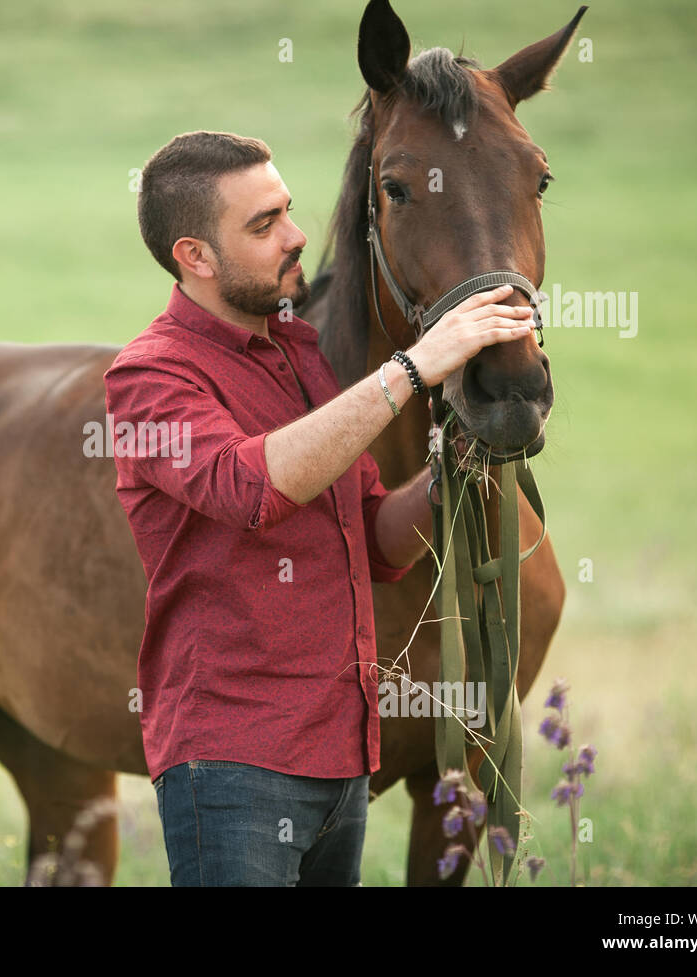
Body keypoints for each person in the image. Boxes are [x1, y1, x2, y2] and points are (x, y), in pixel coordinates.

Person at [102, 130, 534, 886]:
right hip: (231, 770)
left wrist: (454, 464)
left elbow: (374, 541)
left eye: (289, 211)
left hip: (340, 765)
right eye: (263, 225)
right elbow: (250, 487)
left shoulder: (299, 354)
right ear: (195, 257)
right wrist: (411, 368)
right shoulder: (148, 378)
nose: (298, 237)